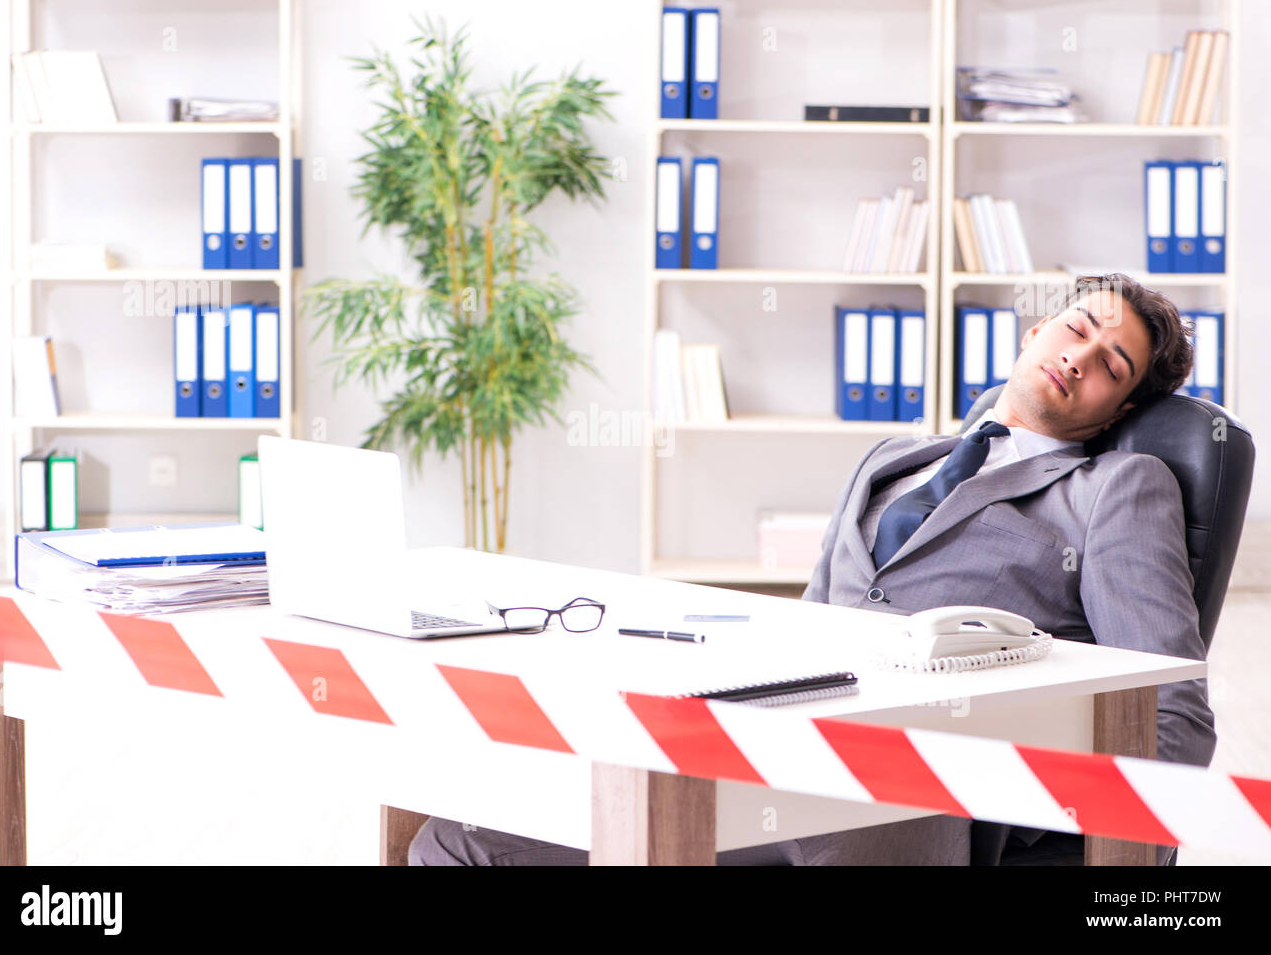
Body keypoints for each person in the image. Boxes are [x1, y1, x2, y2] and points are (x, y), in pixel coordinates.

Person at [409, 273, 1210, 865]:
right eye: (1077, 329)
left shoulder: (1116, 488)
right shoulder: (893, 459)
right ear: (1032, 333)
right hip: (763, 746)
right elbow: (804, 626)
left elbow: (1173, 710)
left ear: (1119, 412)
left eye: (1113, 364)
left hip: (898, 797)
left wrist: (1047, 812)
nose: (1081, 357)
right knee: (453, 844)